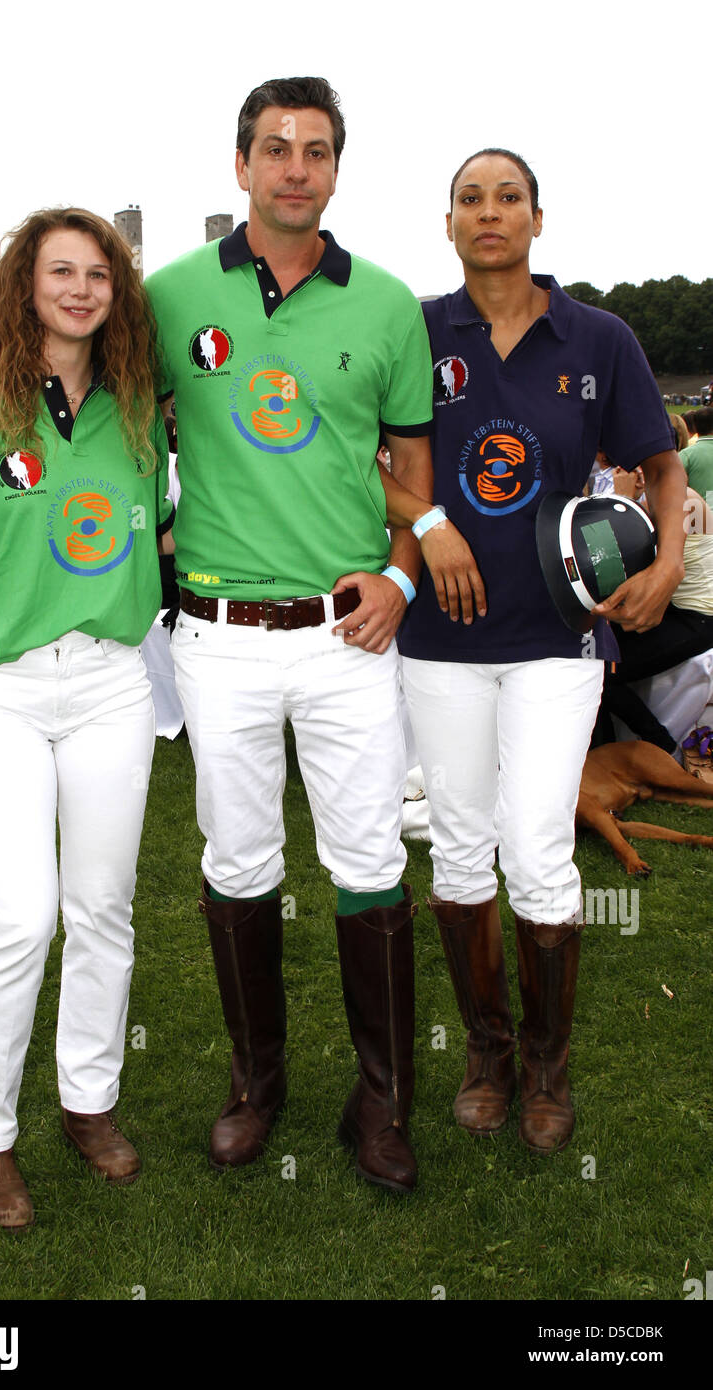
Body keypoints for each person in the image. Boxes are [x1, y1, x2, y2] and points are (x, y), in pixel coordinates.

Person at [145, 76, 442, 1194]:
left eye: (316, 149)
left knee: (368, 862)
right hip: (217, 636)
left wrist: (402, 579)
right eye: (275, 147)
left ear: (335, 169)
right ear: (241, 167)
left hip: (349, 635)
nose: (296, 166)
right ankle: (256, 1087)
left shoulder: (388, 306)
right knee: (238, 861)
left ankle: (384, 1104)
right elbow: (118, 417)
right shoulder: (170, 293)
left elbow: (411, 474)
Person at [398, 149, 687, 1153]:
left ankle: (548, 1067)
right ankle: (487, 1053)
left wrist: (665, 563)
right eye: (471, 200)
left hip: (558, 641)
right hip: (439, 642)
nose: (490, 214)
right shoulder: (417, 330)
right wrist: (429, 522)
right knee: (462, 848)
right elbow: (369, 461)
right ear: (448, 224)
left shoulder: (598, 336)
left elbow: (661, 461)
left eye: (507, 198)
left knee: (537, 849)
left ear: (536, 218)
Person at [0, 208, 172, 1228]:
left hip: (112, 682)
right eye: (60, 270)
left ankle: (88, 1101)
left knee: (103, 908)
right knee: (21, 916)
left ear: (117, 292)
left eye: (98, 273)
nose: (80, 288)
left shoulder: (141, 407)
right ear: (26, 284)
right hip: (0, 693)